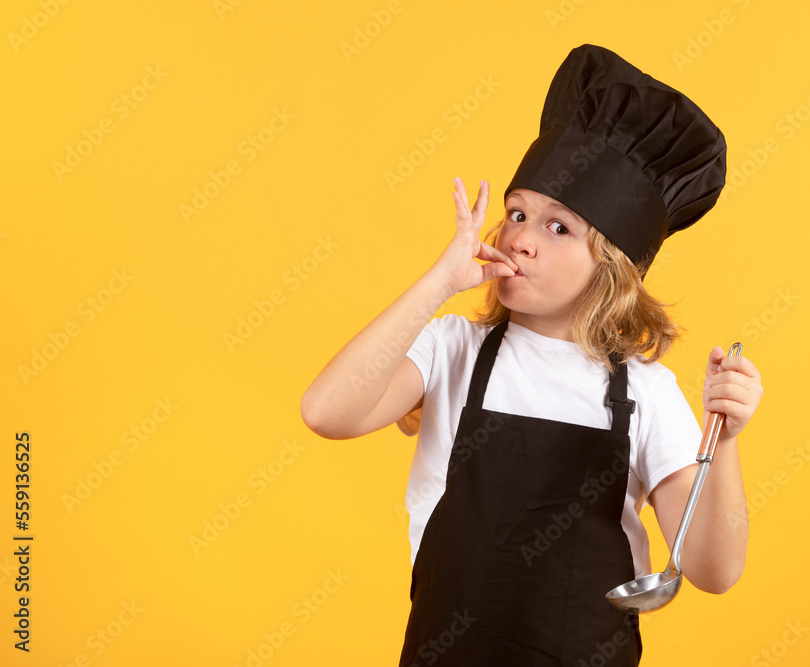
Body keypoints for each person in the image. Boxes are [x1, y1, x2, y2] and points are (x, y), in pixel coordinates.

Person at [301, 44, 763, 666]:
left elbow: (712, 568)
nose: (519, 237)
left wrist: (725, 441)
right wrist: (438, 283)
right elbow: (326, 412)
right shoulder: (450, 351)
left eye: (558, 226)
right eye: (517, 213)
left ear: (613, 269)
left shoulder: (646, 394)